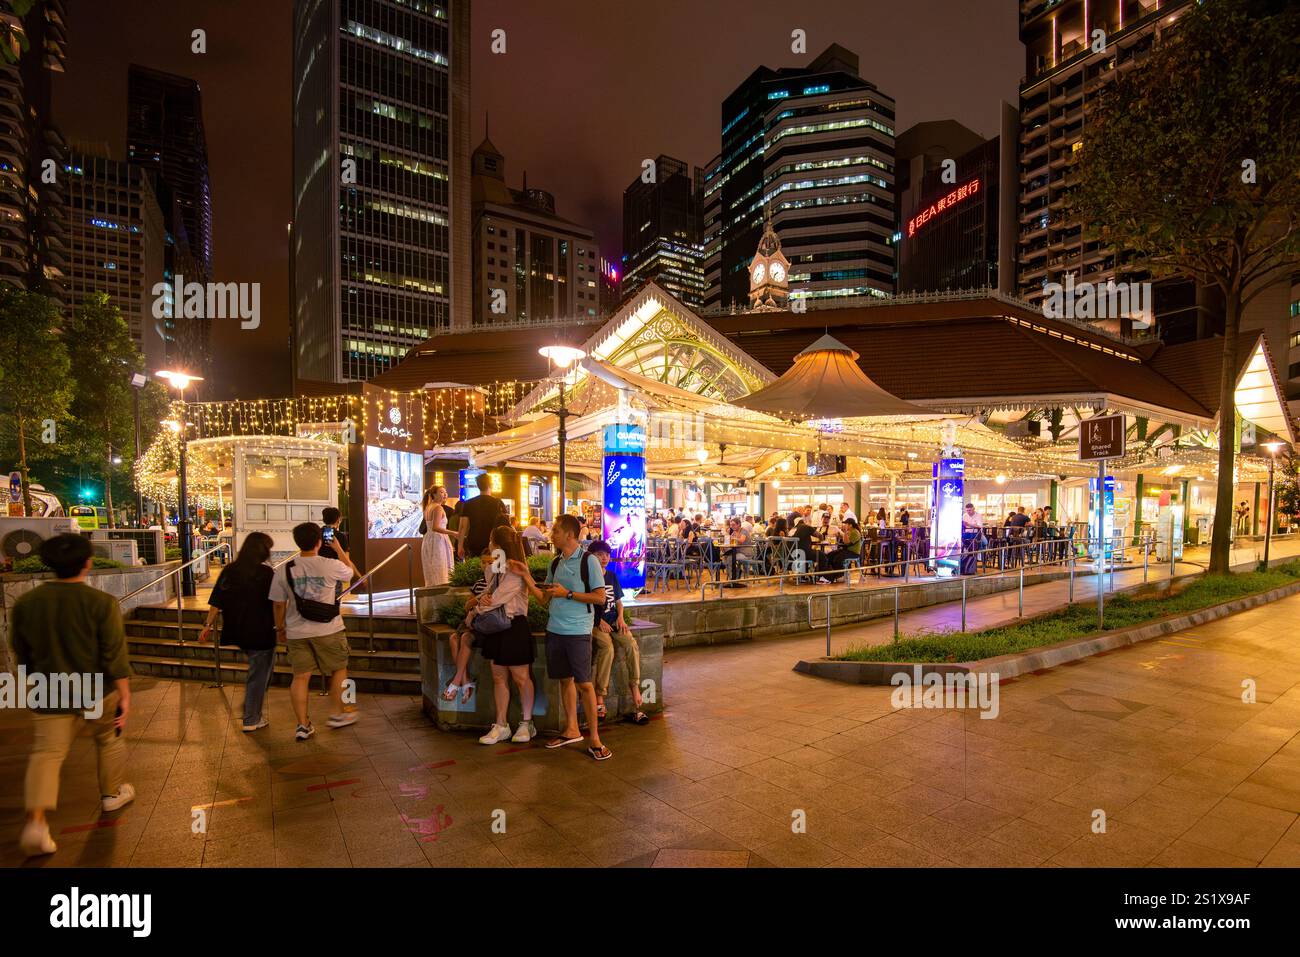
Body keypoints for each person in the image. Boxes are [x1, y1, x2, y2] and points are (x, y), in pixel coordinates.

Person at [13, 534, 134, 858]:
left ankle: (36, 822)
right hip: (96, 688)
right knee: (108, 739)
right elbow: (114, 654)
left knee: (47, 754)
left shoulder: (27, 603)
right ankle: (111, 793)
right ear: (88, 562)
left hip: (49, 687)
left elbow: (20, 651)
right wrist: (124, 693)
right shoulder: (100, 603)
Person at [513, 514, 610, 761]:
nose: (551, 534)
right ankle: (571, 729)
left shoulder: (588, 561)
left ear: (568, 534)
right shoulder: (555, 563)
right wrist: (525, 576)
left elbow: (600, 597)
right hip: (555, 628)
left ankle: (595, 738)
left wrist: (568, 594)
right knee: (565, 680)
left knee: (584, 684)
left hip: (578, 631)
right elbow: (544, 597)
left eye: (555, 530)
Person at [270, 522, 358, 741]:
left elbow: (278, 603)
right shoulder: (330, 564)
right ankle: (340, 713)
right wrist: (338, 549)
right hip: (330, 628)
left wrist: (280, 627)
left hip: (297, 631)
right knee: (339, 669)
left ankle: (302, 724)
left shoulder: (284, 569)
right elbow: (351, 573)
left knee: (300, 677)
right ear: (319, 541)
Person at [201, 532, 277, 732]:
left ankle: (251, 706)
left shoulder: (230, 570)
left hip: (237, 629)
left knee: (262, 671)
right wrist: (282, 626)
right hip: (261, 630)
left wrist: (207, 625)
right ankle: (251, 718)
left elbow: (216, 600)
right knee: (260, 673)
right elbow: (277, 603)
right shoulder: (266, 573)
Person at [473, 526, 538, 746]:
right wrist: (482, 600)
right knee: (499, 677)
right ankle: (501, 725)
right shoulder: (497, 567)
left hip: (514, 626)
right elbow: (488, 593)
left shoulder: (517, 570)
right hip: (496, 628)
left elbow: (497, 598)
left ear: (498, 544)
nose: (489, 545)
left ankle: (527, 722)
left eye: (491, 541)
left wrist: (477, 610)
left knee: (521, 678)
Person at [586, 540, 648, 725]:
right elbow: (586, 604)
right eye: (599, 554)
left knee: (631, 644)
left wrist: (621, 617)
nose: (604, 558)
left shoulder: (612, 576)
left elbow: (619, 602)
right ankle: (600, 697)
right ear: (591, 557)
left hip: (614, 621)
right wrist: (599, 622)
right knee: (607, 648)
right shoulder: (588, 578)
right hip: (596, 624)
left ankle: (635, 686)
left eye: (606, 554)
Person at [458, 473, 506, 561]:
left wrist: (460, 546)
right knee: (494, 571)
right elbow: (504, 527)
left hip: (474, 542)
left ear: (478, 486)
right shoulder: (498, 503)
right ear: (490, 485)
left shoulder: (468, 503)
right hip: (494, 543)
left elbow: (463, 527)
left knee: (475, 571)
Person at [420, 486, 459, 586]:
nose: (445, 494)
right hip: (438, 540)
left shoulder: (428, 507)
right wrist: (454, 533)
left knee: (432, 570)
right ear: (434, 495)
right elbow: (436, 527)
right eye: (441, 492)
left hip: (429, 540)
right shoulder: (438, 507)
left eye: (445, 492)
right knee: (441, 570)